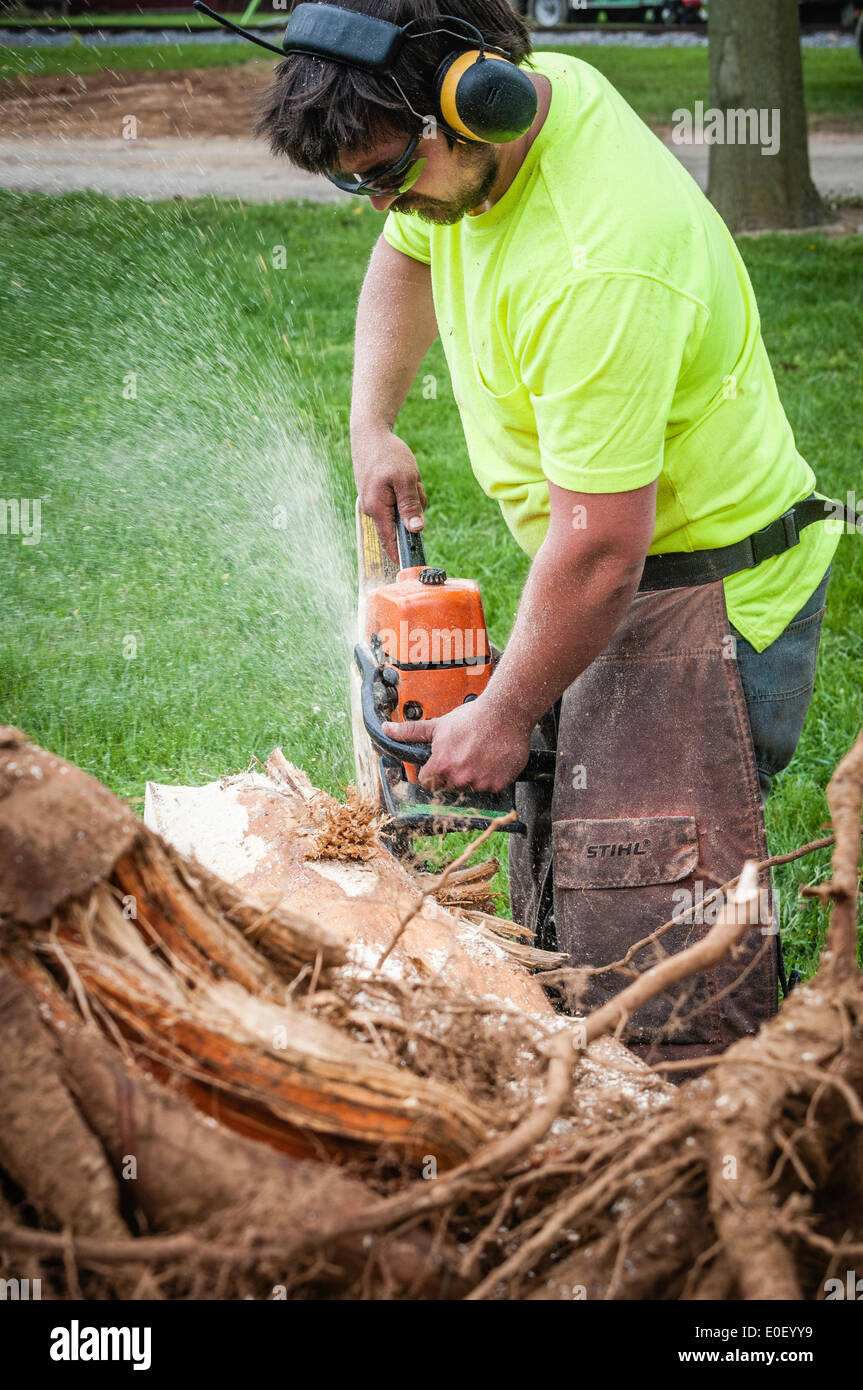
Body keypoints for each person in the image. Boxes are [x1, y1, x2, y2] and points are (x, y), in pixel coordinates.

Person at [256, 0, 846, 1059]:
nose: (377, 202)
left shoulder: (600, 262)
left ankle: (702, 1129)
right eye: (355, 181)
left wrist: (499, 710)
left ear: (471, 104)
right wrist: (371, 421)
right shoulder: (492, 124)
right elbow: (406, 248)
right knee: (564, 897)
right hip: (608, 570)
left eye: (385, 170)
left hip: (698, 600)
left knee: (654, 950)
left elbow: (599, 550)